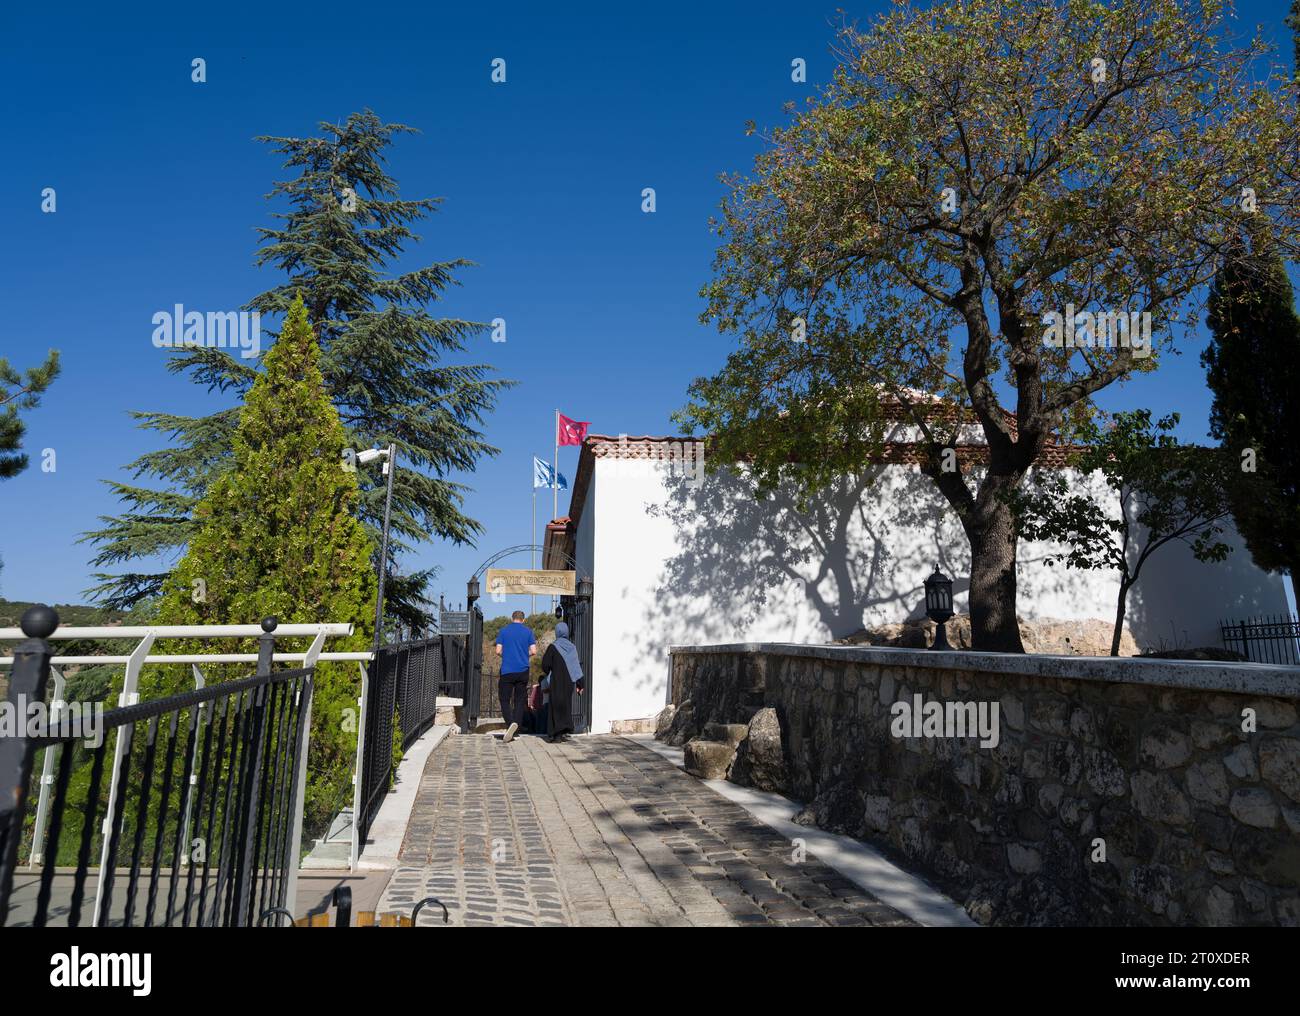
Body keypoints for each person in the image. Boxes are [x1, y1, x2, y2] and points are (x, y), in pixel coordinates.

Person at [494, 610, 536, 743]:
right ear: (523, 620)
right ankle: (516, 727)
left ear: (512, 618)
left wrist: (506, 655)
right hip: (523, 670)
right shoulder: (528, 632)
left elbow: (498, 650)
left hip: (507, 670)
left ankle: (510, 723)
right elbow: (534, 651)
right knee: (519, 700)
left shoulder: (504, 631)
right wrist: (525, 655)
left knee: (504, 699)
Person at [540, 621, 585, 743]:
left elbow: (545, 665)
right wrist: (581, 683)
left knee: (555, 705)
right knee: (566, 705)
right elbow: (576, 666)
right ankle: (564, 731)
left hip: (557, 681)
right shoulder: (572, 647)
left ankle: (556, 734)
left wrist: (550, 670)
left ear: (557, 632)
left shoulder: (553, 647)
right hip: (569, 681)